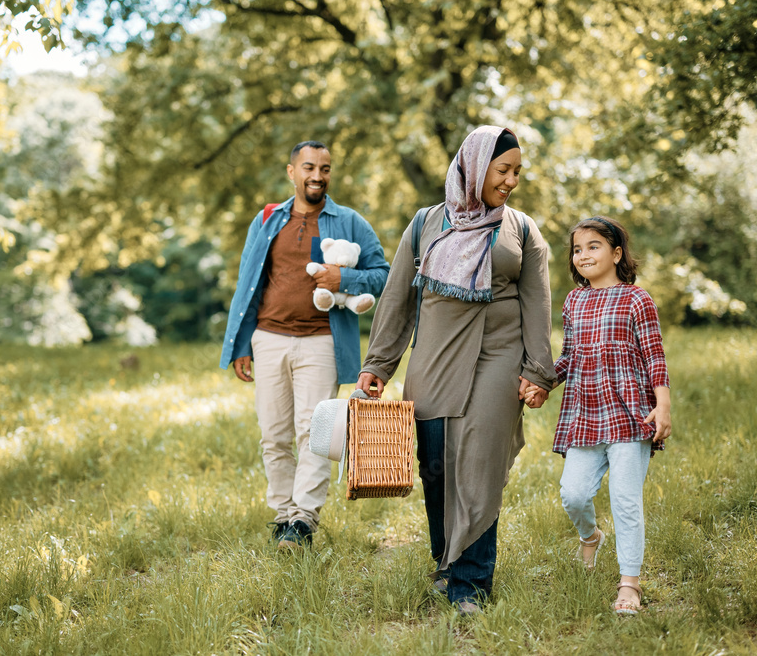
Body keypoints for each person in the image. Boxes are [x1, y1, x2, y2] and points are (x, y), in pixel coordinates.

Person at [356, 126, 556, 614]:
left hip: (499, 356)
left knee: (479, 464)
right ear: (474, 164)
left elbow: (538, 305)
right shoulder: (427, 222)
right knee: (437, 464)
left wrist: (538, 369)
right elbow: (399, 296)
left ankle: (471, 583)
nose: (510, 182)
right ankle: (445, 564)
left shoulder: (522, 230)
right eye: (502, 170)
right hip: (435, 359)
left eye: (516, 173)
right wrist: (379, 362)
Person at [220, 140, 389, 549]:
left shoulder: (349, 222)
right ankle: (282, 516)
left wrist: (343, 281)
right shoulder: (266, 220)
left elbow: (383, 274)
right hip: (269, 338)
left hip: (321, 342)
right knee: (273, 435)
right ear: (292, 171)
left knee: (313, 432)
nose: (318, 176)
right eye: (309, 167)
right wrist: (241, 344)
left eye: (325, 169)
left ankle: (304, 520)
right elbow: (248, 286)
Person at [525, 215, 672, 615]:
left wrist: (663, 405)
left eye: (594, 246)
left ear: (616, 253)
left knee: (625, 500)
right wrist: (543, 384)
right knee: (572, 494)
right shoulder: (575, 301)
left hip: (630, 414)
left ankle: (630, 584)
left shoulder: (636, 299)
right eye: (577, 249)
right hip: (585, 414)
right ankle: (590, 537)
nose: (584, 255)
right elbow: (569, 357)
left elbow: (653, 356)